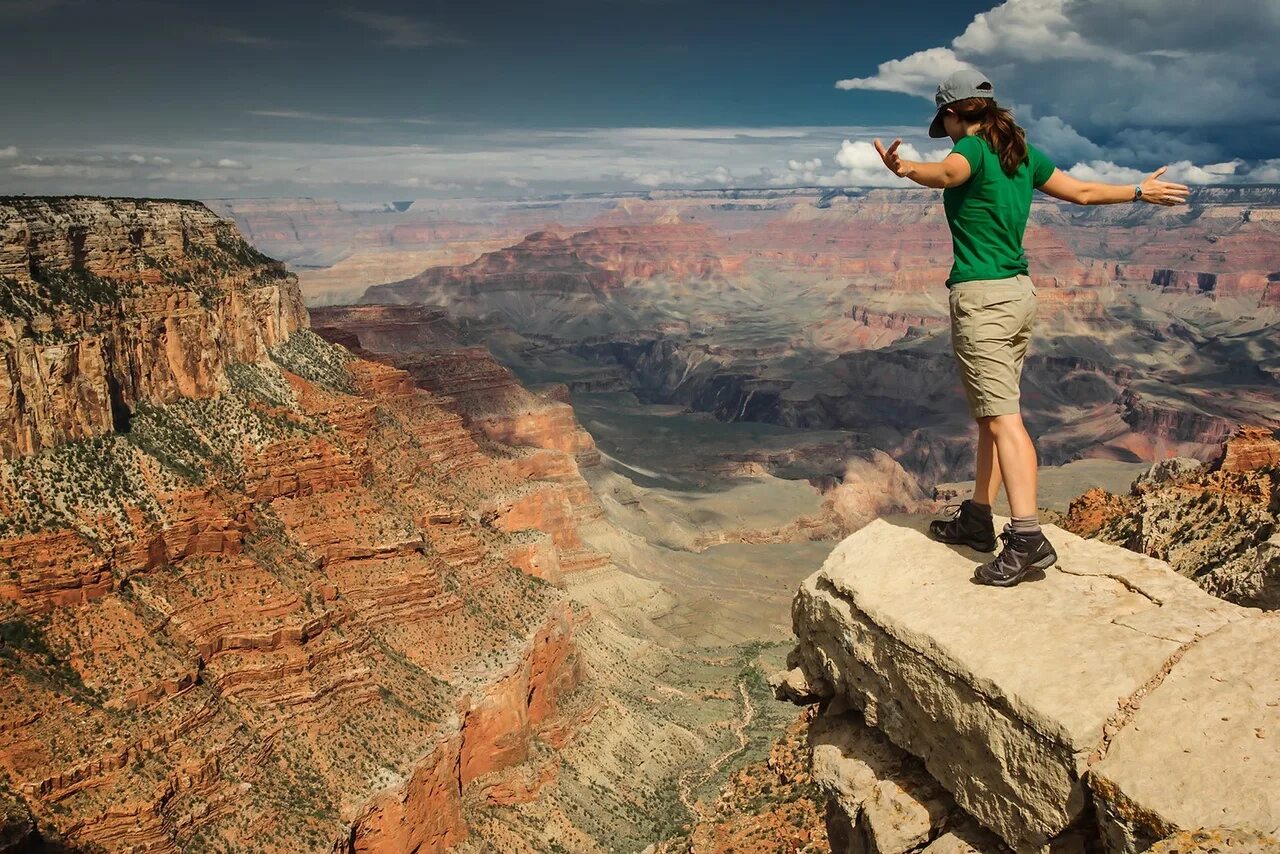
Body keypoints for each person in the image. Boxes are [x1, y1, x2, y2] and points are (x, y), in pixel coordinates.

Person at [872, 68, 1189, 586]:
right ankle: (977, 517)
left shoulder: (970, 151)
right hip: (1020, 296)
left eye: (945, 120)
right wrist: (1137, 190)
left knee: (1004, 422)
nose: (946, 129)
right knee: (990, 417)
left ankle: (1025, 538)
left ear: (954, 114)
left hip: (984, 299)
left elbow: (947, 175)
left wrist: (904, 168)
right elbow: (1082, 192)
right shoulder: (1021, 152)